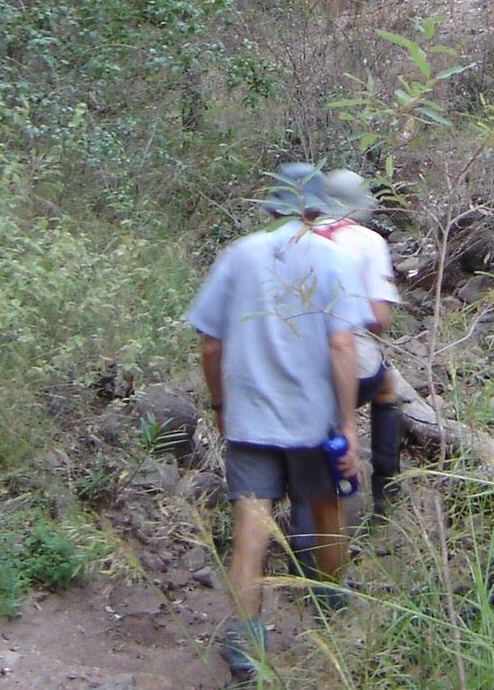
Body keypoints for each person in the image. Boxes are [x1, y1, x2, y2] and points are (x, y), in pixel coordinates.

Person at [185, 163, 372, 684]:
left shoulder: (239, 255)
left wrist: (221, 406)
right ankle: (331, 621)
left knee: (252, 528)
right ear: (317, 209)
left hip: (248, 421)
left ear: (271, 207)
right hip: (314, 423)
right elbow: (342, 344)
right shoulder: (333, 259)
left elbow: (210, 342)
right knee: (328, 512)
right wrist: (349, 425)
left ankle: (245, 649)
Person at [320, 168, 404, 518]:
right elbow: (379, 320)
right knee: (389, 387)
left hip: (287, 360)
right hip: (350, 364)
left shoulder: (297, 234)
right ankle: (387, 485)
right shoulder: (369, 241)